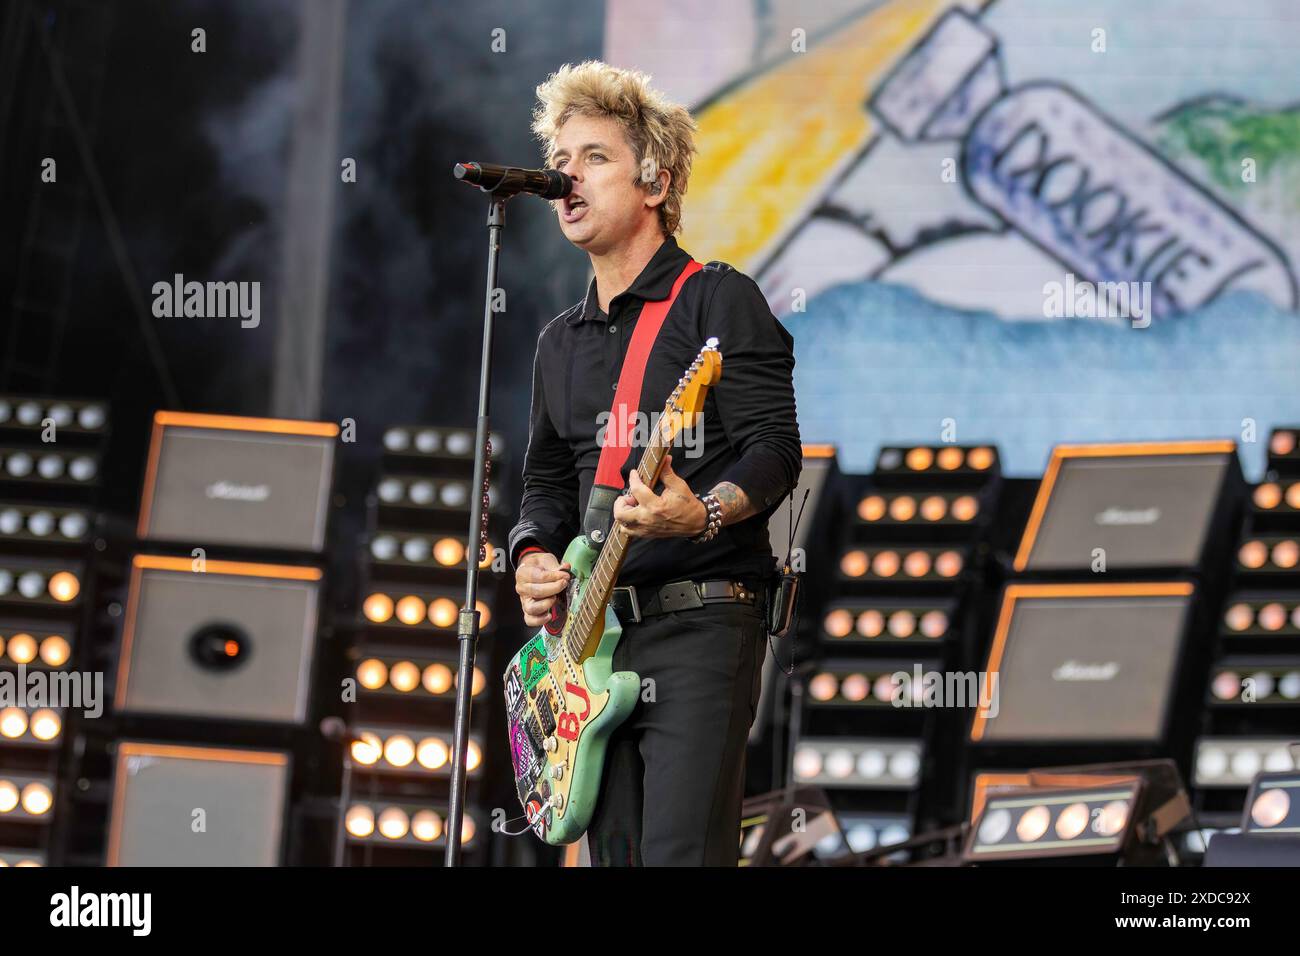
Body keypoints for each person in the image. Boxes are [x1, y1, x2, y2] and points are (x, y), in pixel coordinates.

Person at [508, 60, 801, 866]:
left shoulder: (716, 300)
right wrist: (532, 555)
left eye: (594, 157)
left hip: (702, 621)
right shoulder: (557, 342)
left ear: (654, 182)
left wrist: (700, 512)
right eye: (561, 162)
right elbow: (543, 484)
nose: (566, 177)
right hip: (594, 638)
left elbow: (775, 450)